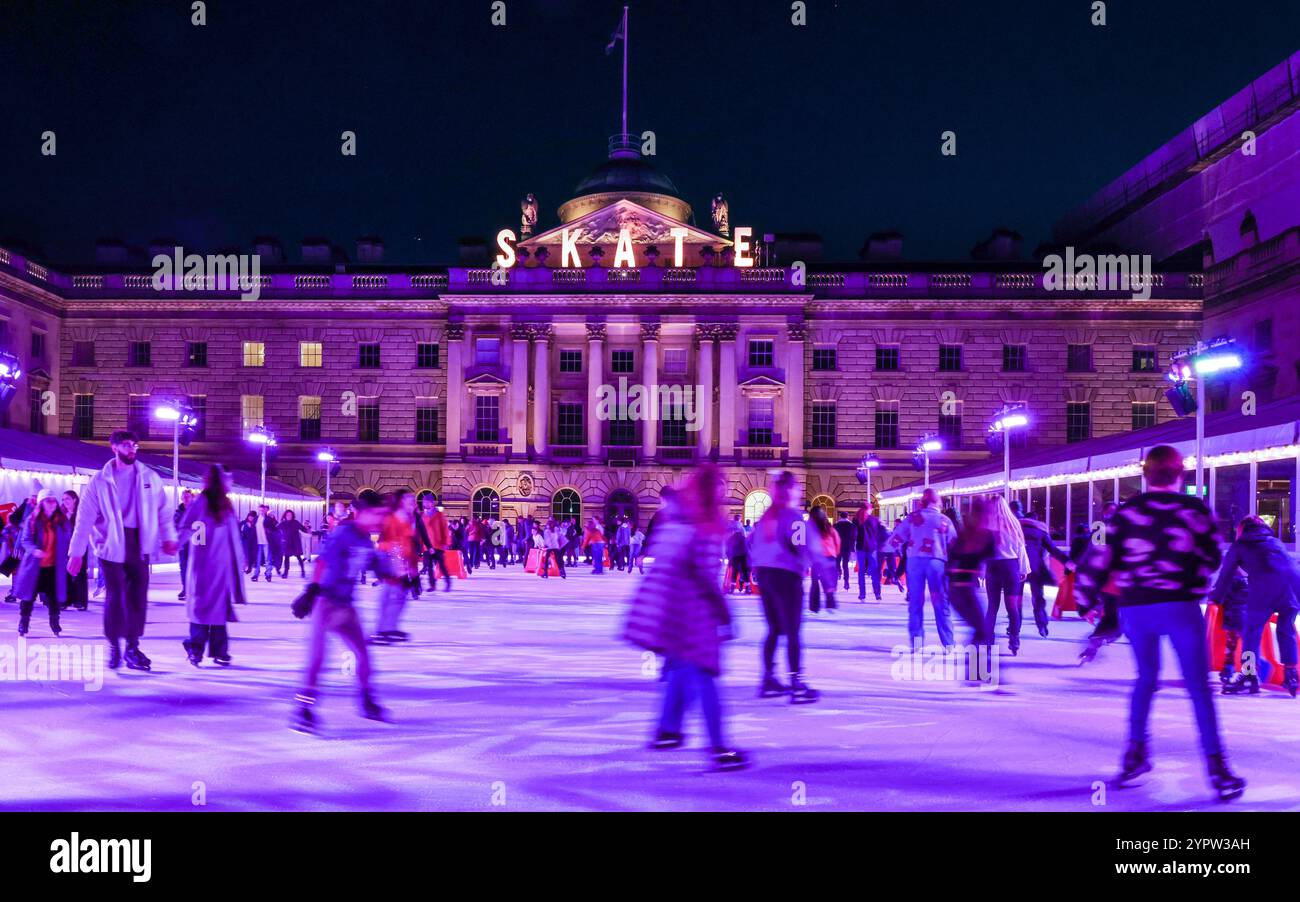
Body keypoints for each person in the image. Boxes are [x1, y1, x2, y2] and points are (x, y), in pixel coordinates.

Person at [1075, 444, 1245, 801]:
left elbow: (1094, 554)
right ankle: (1217, 768)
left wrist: (1085, 600)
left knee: (1146, 680)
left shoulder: (1121, 516)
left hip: (1136, 610)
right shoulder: (1197, 511)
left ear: (1145, 473)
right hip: (1181, 607)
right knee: (1199, 688)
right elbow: (1214, 556)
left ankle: (1135, 753)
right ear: (1180, 473)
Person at [623, 464, 748, 771]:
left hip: (671, 609)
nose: (723, 493)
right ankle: (718, 747)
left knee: (680, 667)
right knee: (704, 675)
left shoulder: (675, 518)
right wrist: (723, 612)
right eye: (719, 487)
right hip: (693, 612)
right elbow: (705, 576)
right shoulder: (702, 523)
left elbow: (665, 564)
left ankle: (667, 729)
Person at [68, 430, 179, 671]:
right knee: (116, 596)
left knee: (138, 598)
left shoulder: (149, 477)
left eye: (135, 445)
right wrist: (76, 552)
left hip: (140, 544)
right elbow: (84, 518)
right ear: (115, 448)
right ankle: (114, 646)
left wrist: (169, 537)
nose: (132, 449)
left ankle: (132, 646)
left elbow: (163, 510)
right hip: (110, 546)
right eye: (127, 445)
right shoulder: (99, 481)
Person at [291, 489, 390, 733]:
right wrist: (312, 590)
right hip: (326, 603)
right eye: (375, 514)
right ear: (362, 513)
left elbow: (374, 563)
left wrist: (399, 577)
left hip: (346, 605)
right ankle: (303, 708)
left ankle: (366, 699)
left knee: (363, 654)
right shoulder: (344, 533)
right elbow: (323, 561)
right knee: (317, 659)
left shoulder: (367, 539)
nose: (379, 519)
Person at [1210, 515, 1300, 697]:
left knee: (1252, 632)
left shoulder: (1241, 545)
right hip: (1292, 589)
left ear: (1241, 529)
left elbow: (1226, 574)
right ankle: (1291, 674)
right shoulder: (1275, 542)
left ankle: (1249, 674)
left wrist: (1216, 598)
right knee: (1286, 630)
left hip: (1264, 592)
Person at [750, 470, 817, 703]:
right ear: (790, 490)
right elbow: (801, 547)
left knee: (774, 629)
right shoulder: (792, 516)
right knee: (792, 630)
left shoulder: (766, 517)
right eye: (796, 487)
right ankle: (796, 682)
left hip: (765, 576)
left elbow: (753, 548)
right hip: (786, 576)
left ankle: (768, 677)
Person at [178, 465, 245, 667]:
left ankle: (214, 649)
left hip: (214, 567)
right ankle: (199, 648)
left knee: (213, 610)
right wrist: (176, 543)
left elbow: (233, 536)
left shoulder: (222, 504)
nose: (231, 483)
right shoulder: (206, 503)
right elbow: (187, 527)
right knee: (207, 610)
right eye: (228, 479)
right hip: (207, 566)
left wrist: (239, 558)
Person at [888, 488, 956, 649]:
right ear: (938, 502)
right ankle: (948, 644)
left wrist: (888, 552)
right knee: (940, 602)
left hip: (915, 561)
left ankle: (916, 643)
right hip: (937, 562)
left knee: (915, 603)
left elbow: (895, 539)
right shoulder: (944, 520)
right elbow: (954, 544)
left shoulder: (912, 518)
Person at [1011, 500, 1072, 637]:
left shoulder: (1014, 529)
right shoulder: (1040, 530)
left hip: (1017, 568)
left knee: (1016, 599)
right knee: (1038, 598)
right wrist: (1068, 562)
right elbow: (1053, 549)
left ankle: (1015, 629)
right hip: (1035, 569)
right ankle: (1042, 626)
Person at [946, 495, 996, 660]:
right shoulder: (985, 536)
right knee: (981, 630)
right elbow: (993, 560)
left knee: (980, 630)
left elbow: (950, 563)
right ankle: (976, 674)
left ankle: (975, 674)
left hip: (958, 590)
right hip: (962, 591)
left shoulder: (964, 535)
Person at [15, 489, 71, 637]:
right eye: (48, 500)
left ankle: (54, 622)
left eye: (54, 500)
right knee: (28, 596)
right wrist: (34, 550)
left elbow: (68, 540)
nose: (52, 504)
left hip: (53, 567)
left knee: (53, 597)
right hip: (34, 567)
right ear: (41, 503)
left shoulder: (62, 521)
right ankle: (23, 622)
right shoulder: (32, 520)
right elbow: (25, 540)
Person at [982, 495, 1031, 655]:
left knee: (992, 607)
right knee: (1012, 607)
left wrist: (982, 570)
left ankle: (988, 640)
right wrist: (1023, 569)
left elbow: (982, 551)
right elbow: (1020, 547)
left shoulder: (987, 525)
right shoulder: (1013, 523)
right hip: (1010, 567)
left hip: (993, 567)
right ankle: (1014, 639)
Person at [1077, 501, 1123, 664]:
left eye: (1114, 511)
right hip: (1112, 580)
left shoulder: (1105, 528)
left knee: (1112, 616)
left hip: (1114, 581)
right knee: (1114, 618)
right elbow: (1092, 555)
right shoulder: (1101, 528)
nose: (1112, 514)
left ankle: (1096, 643)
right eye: (1110, 511)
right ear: (1104, 513)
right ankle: (1101, 638)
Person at [373, 489, 420, 643]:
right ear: (401, 502)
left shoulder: (409, 519)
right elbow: (389, 544)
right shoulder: (393, 519)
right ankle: (383, 629)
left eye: (413, 501)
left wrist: (413, 572)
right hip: (392, 563)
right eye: (409, 501)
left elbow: (410, 545)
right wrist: (399, 568)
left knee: (399, 598)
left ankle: (389, 627)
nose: (413, 504)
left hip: (403, 562)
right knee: (391, 596)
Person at [807, 506, 840, 614]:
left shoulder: (810, 528)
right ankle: (830, 604)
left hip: (816, 558)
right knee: (828, 581)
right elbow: (837, 541)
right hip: (830, 556)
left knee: (815, 581)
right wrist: (835, 552)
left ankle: (814, 606)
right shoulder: (829, 528)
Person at [417, 494, 452, 592]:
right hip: (427, 546)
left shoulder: (439, 515)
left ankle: (448, 583)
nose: (424, 503)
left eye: (425, 502)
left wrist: (446, 542)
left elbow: (445, 529)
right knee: (428, 566)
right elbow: (421, 532)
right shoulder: (423, 516)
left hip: (438, 544)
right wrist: (420, 545)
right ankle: (432, 585)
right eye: (423, 502)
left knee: (441, 566)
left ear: (431, 503)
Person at [61, 491, 89, 611]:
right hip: (64, 547)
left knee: (80, 573)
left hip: (79, 546)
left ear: (74, 500)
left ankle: (80, 601)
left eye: (67, 499)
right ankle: (66, 600)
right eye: (63, 499)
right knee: (65, 573)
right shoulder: (61, 514)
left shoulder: (80, 514)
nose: (65, 502)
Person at [853, 505, 883, 602]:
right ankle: (877, 593)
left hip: (860, 548)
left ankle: (862, 595)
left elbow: (854, 534)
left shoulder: (856, 519)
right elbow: (879, 533)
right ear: (869, 509)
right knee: (875, 571)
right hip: (872, 548)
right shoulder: (874, 520)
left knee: (861, 571)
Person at [278, 509, 311, 578]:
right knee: (286, 558)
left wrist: (307, 529)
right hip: (287, 543)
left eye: (290, 515)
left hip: (295, 543)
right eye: (287, 515)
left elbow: (303, 529)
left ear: (292, 516)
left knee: (298, 557)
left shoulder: (295, 522)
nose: (289, 516)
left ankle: (303, 571)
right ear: (285, 516)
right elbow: (275, 529)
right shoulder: (283, 523)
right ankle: (285, 573)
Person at [174, 489, 194, 601]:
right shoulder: (177, 513)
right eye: (184, 497)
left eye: (188, 497)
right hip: (183, 545)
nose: (186, 499)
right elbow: (174, 527)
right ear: (181, 498)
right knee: (184, 567)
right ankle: (185, 588)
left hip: (195, 545)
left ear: (191, 498)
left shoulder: (196, 512)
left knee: (194, 568)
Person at [725, 516, 749, 593]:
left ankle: (732, 588)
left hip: (735, 555)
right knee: (745, 571)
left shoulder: (730, 534)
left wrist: (729, 557)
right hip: (743, 555)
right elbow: (747, 546)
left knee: (735, 571)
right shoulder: (743, 534)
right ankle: (747, 588)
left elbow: (727, 548)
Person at [251, 504, 274, 582]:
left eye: (262, 510)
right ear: (258, 510)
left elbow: (272, 530)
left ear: (265, 510)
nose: (261, 511)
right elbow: (253, 530)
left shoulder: (269, 519)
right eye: (260, 510)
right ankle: (255, 574)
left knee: (268, 559)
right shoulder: (255, 519)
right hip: (257, 542)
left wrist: (267, 530)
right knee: (257, 559)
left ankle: (268, 574)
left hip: (267, 541)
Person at [833, 512, 856, 592]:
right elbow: (854, 537)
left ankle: (838, 574)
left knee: (837, 562)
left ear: (840, 516)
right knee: (845, 564)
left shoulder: (836, 525)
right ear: (848, 516)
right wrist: (852, 548)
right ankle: (846, 582)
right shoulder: (851, 525)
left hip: (837, 546)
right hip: (847, 547)